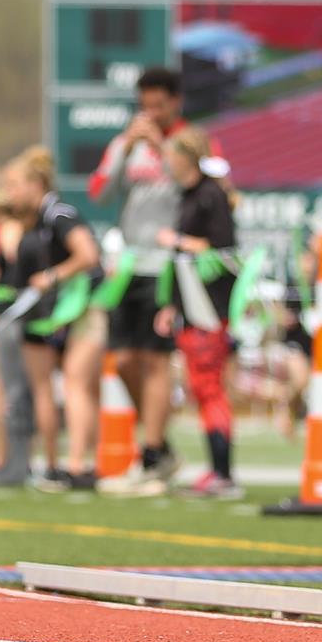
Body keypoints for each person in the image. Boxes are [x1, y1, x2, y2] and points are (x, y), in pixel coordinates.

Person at [85, 67, 198, 487]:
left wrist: (165, 149)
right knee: (126, 360)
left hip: (165, 264)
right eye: (145, 105)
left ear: (175, 102)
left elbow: (203, 186)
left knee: (155, 359)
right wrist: (127, 148)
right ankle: (160, 447)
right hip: (129, 263)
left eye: (159, 105)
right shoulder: (125, 142)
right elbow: (100, 191)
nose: (151, 113)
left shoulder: (188, 141)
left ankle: (150, 454)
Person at [0, 148, 99, 490]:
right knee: (43, 390)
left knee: (76, 384)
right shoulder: (31, 222)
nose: (10, 192)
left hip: (79, 308)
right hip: (45, 314)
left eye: (15, 185)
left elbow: (88, 255)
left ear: (36, 183)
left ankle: (78, 465)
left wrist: (52, 276)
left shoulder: (60, 214)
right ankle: (51, 465)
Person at [155, 127, 242, 499]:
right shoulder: (188, 195)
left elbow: (222, 249)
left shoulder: (210, 195)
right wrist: (171, 304)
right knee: (202, 388)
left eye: (172, 156)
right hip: (191, 305)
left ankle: (222, 472)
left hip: (209, 306)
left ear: (186, 157)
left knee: (210, 388)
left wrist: (176, 241)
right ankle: (217, 471)